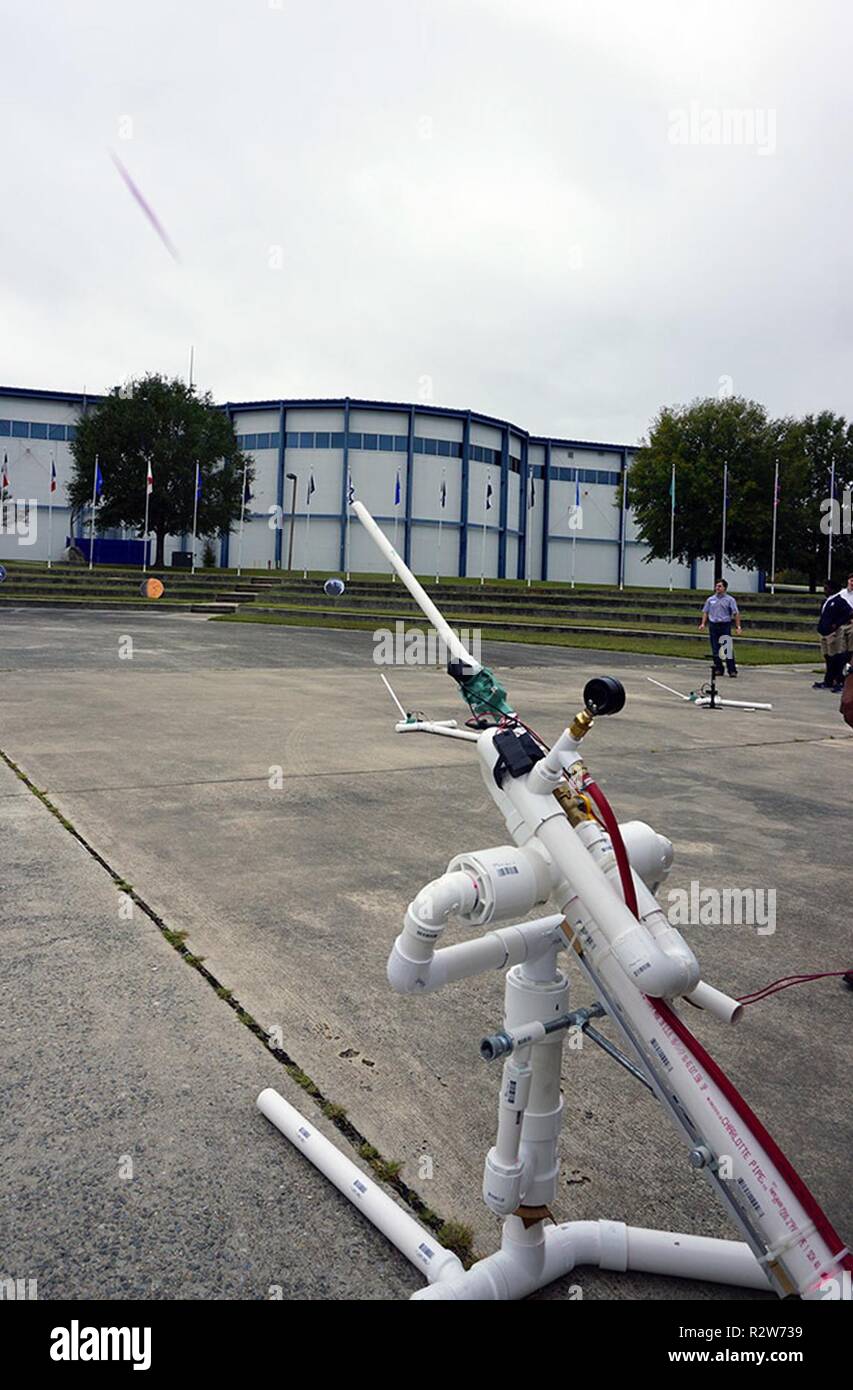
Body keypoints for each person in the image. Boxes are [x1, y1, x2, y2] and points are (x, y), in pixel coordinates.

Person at [817, 573, 853, 693]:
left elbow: (849, 612)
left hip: (839, 631)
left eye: (826, 588)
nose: (824, 590)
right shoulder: (831, 599)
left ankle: (840, 680)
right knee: (829, 656)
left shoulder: (839, 600)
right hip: (826, 631)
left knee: (839, 656)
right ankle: (829, 679)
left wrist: (836, 624)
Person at [699, 578, 742, 677]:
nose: (717, 588)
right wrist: (703, 623)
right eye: (716, 586)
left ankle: (732, 670)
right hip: (714, 625)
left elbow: (736, 613)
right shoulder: (710, 600)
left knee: (727, 648)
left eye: (719, 586)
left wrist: (738, 626)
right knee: (715, 648)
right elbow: (706, 612)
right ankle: (719, 668)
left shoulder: (730, 600)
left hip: (724, 625)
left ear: (724, 588)